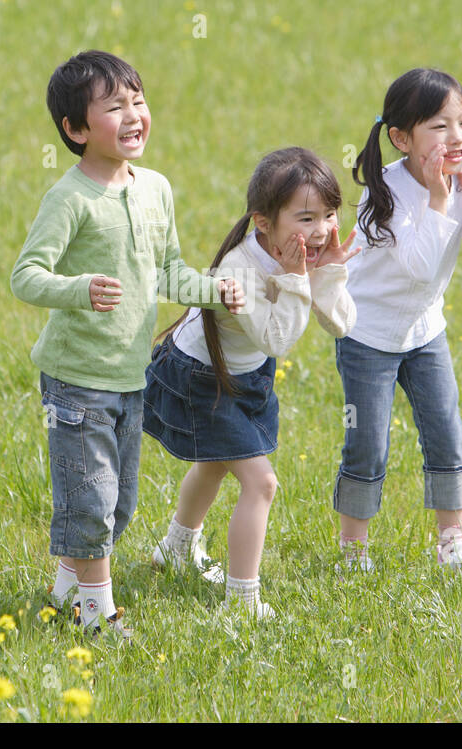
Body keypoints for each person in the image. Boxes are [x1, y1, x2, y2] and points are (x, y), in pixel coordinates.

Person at [10, 50, 245, 637]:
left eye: (138, 100)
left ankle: (65, 586)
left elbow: (166, 272)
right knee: (90, 500)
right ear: (76, 129)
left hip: (130, 375)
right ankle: (98, 614)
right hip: (77, 379)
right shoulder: (70, 199)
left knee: (117, 505)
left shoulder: (156, 188)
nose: (134, 114)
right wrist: (80, 288)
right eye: (115, 106)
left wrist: (214, 290)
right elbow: (26, 275)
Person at [145, 147, 358, 618]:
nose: (321, 228)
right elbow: (277, 338)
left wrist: (328, 275)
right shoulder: (238, 270)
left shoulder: (301, 255)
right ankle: (242, 600)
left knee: (215, 466)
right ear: (263, 222)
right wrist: (299, 278)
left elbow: (341, 324)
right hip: (200, 375)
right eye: (306, 217)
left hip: (245, 373)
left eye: (328, 213)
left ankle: (175, 549)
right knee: (262, 483)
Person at [333, 68, 462, 573]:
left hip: (425, 333)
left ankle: (454, 546)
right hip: (367, 336)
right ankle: (353, 552)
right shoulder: (384, 192)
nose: (456, 137)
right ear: (401, 138)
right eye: (439, 126)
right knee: (368, 442)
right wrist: (437, 197)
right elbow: (419, 264)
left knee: (446, 431)